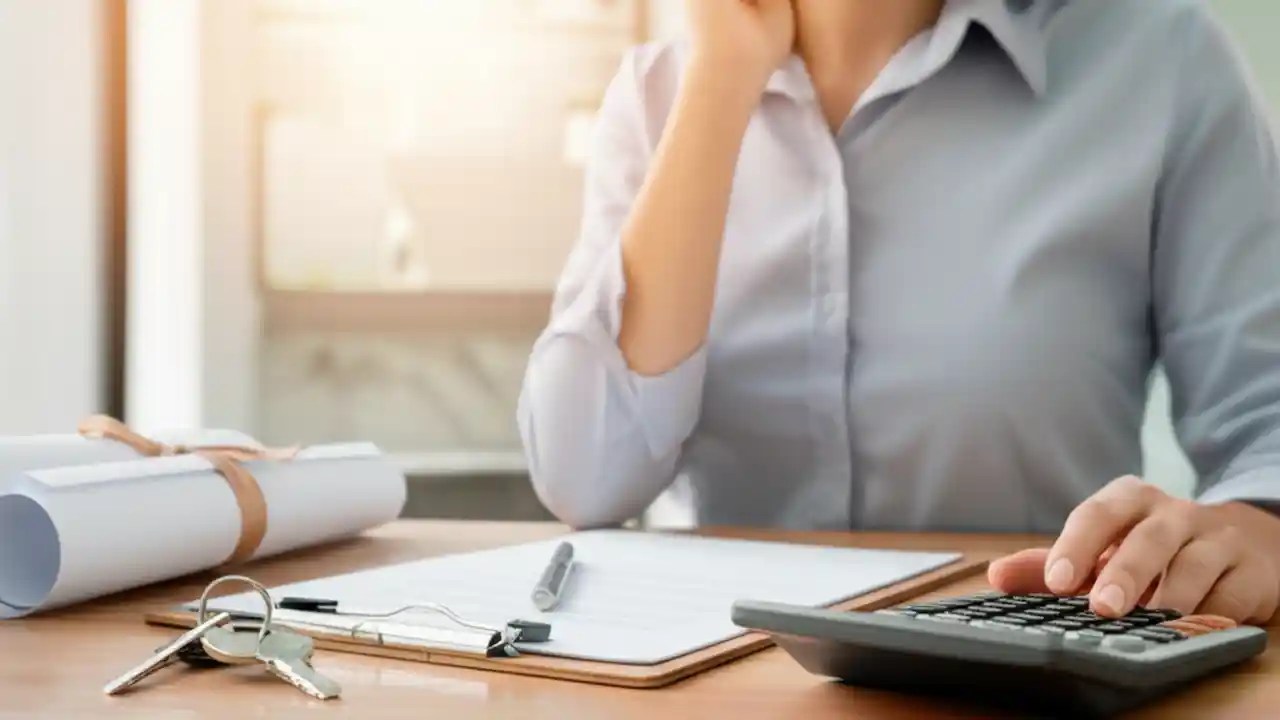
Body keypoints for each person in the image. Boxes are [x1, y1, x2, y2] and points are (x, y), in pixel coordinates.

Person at [518, 0, 1280, 624]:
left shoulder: (1161, 62)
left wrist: (1256, 527)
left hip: (1022, 670)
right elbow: (587, 478)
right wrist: (721, 74)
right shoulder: (658, 93)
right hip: (707, 671)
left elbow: (1266, 428)